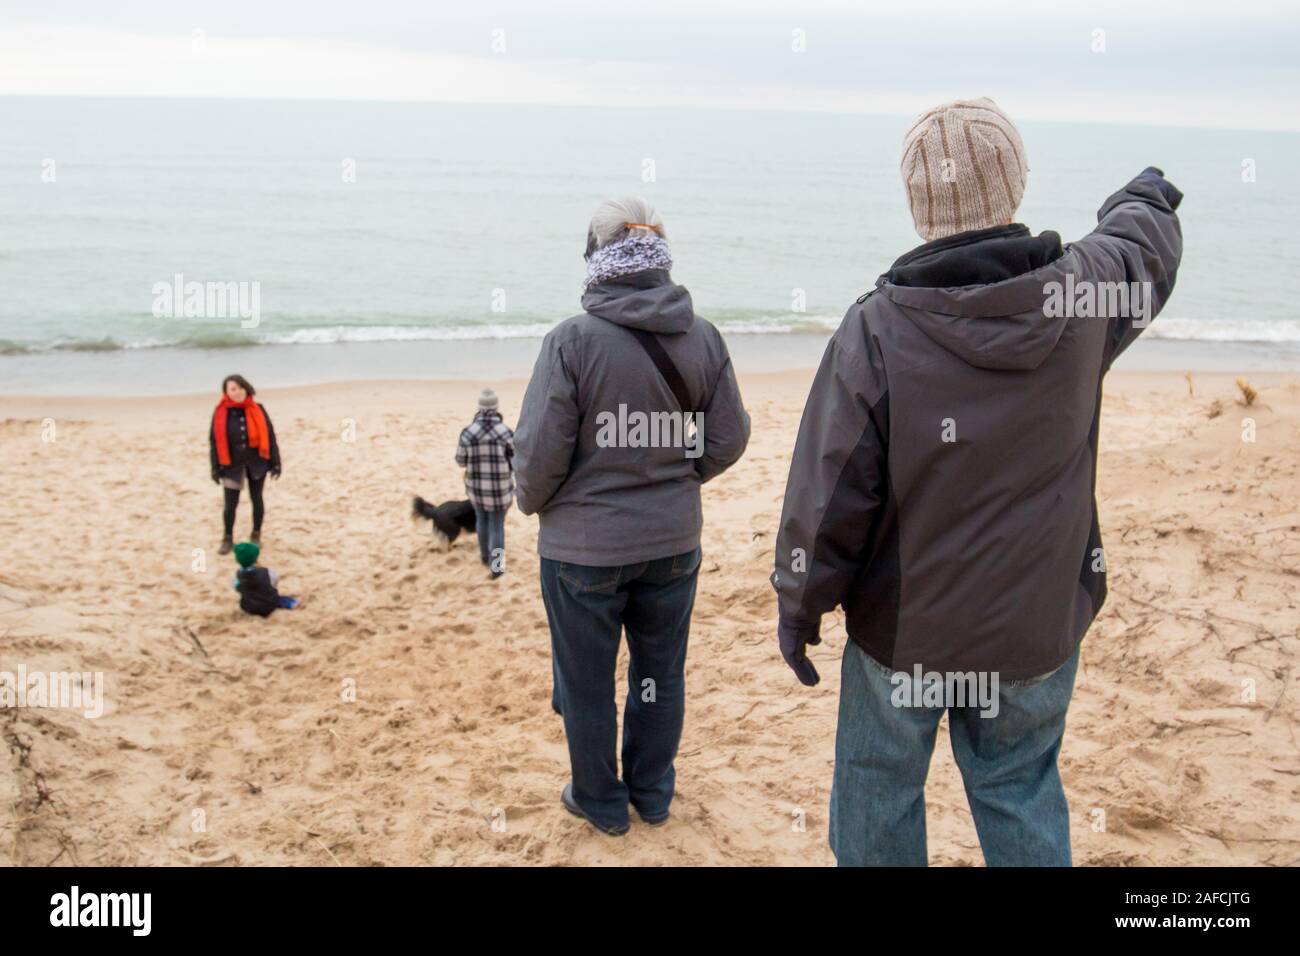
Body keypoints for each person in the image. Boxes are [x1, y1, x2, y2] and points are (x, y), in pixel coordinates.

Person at [771, 98, 1183, 866]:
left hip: (906, 634)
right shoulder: (1084, 293)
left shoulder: (877, 330)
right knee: (1018, 787)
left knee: (876, 789)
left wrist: (801, 602)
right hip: (1035, 625)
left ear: (918, 204)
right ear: (1016, 184)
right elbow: (1145, 249)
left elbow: (828, 497)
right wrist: (1145, 195)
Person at [514, 197, 751, 835]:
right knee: (659, 672)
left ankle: (599, 802)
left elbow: (537, 457)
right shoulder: (702, 336)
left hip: (584, 550)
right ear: (660, 259)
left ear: (596, 260)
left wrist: (536, 503)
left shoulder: (572, 340)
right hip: (672, 542)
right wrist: (676, 479)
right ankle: (650, 794)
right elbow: (727, 439)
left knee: (586, 682)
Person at [209, 374, 281, 555]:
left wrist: (275, 462)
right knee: (230, 505)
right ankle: (227, 538)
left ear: (246, 388)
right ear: (226, 392)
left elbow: (270, 436)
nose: (238, 392)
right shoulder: (220, 413)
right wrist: (215, 467)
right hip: (231, 466)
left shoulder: (259, 409)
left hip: (257, 464)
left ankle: (256, 534)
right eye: (233, 389)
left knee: (257, 499)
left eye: (240, 388)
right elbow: (214, 442)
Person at [455, 388, 514, 578]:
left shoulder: (468, 432)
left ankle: (483, 556)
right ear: (496, 407)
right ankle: (497, 568)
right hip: (500, 489)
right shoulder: (505, 432)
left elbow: (460, 461)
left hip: (477, 489)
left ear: (479, 408)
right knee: (497, 525)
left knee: (481, 520)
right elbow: (516, 461)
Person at [231, 541, 300, 616]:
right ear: (256, 558)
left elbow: (237, 588)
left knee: (247, 599)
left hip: (249, 608)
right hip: (269, 605)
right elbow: (274, 582)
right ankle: (293, 604)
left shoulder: (237, 577)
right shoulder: (267, 572)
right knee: (281, 599)